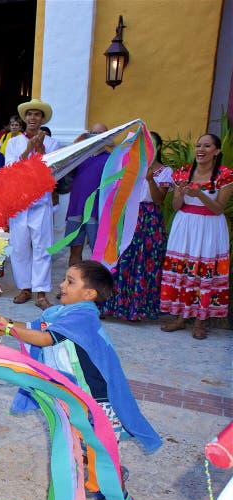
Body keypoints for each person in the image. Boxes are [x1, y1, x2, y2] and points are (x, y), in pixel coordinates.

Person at [0, 260, 162, 500]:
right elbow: (36, 328)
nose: (61, 284)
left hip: (98, 406)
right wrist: (8, 322)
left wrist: (11, 330)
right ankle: (109, 475)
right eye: (65, 279)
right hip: (78, 400)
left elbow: (45, 339)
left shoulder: (82, 317)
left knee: (98, 462)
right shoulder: (62, 313)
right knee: (85, 451)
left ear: (89, 294)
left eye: (70, 281)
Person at [160, 133, 232, 340]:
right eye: (199, 145)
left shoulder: (225, 175)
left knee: (203, 272)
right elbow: (175, 206)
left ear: (216, 151)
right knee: (183, 270)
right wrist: (181, 194)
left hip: (210, 226)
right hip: (185, 225)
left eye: (207, 146)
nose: (200, 149)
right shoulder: (182, 172)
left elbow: (218, 208)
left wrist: (199, 194)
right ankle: (181, 317)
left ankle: (201, 321)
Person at [101, 132, 173, 321]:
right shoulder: (130, 167)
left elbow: (159, 200)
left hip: (149, 219)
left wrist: (149, 179)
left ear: (157, 147)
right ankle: (112, 306)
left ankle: (137, 310)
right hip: (127, 215)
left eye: (152, 143)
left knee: (144, 261)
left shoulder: (164, 171)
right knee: (121, 259)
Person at [4, 98, 60, 309]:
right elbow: (10, 170)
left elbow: (52, 169)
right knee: (19, 247)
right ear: (24, 118)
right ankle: (24, 288)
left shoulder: (52, 143)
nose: (33, 118)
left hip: (40, 201)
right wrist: (28, 150)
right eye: (30, 114)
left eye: (37, 114)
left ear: (42, 118)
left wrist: (41, 149)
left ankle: (41, 292)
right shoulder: (13, 142)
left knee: (42, 247)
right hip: (19, 202)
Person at [63, 124, 111, 267]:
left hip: (97, 211)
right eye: (93, 133)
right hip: (76, 209)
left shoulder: (111, 158)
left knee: (97, 253)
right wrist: (77, 143)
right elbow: (63, 165)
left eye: (101, 133)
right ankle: (72, 285)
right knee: (75, 251)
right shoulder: (79, 156)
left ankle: (95, 286)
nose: (96, 136)